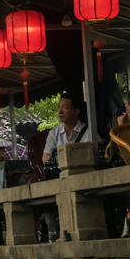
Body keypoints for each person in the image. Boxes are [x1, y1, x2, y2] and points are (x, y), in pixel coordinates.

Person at [40, 92, 91, 241]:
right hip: (58, 175)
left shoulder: (87, 130)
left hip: (80, 175)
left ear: (76, 111)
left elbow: (86, 154)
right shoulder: (54, 133)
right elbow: (45, 158)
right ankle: (52, 229)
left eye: (65, 108)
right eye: (59, 107)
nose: (60, 111)